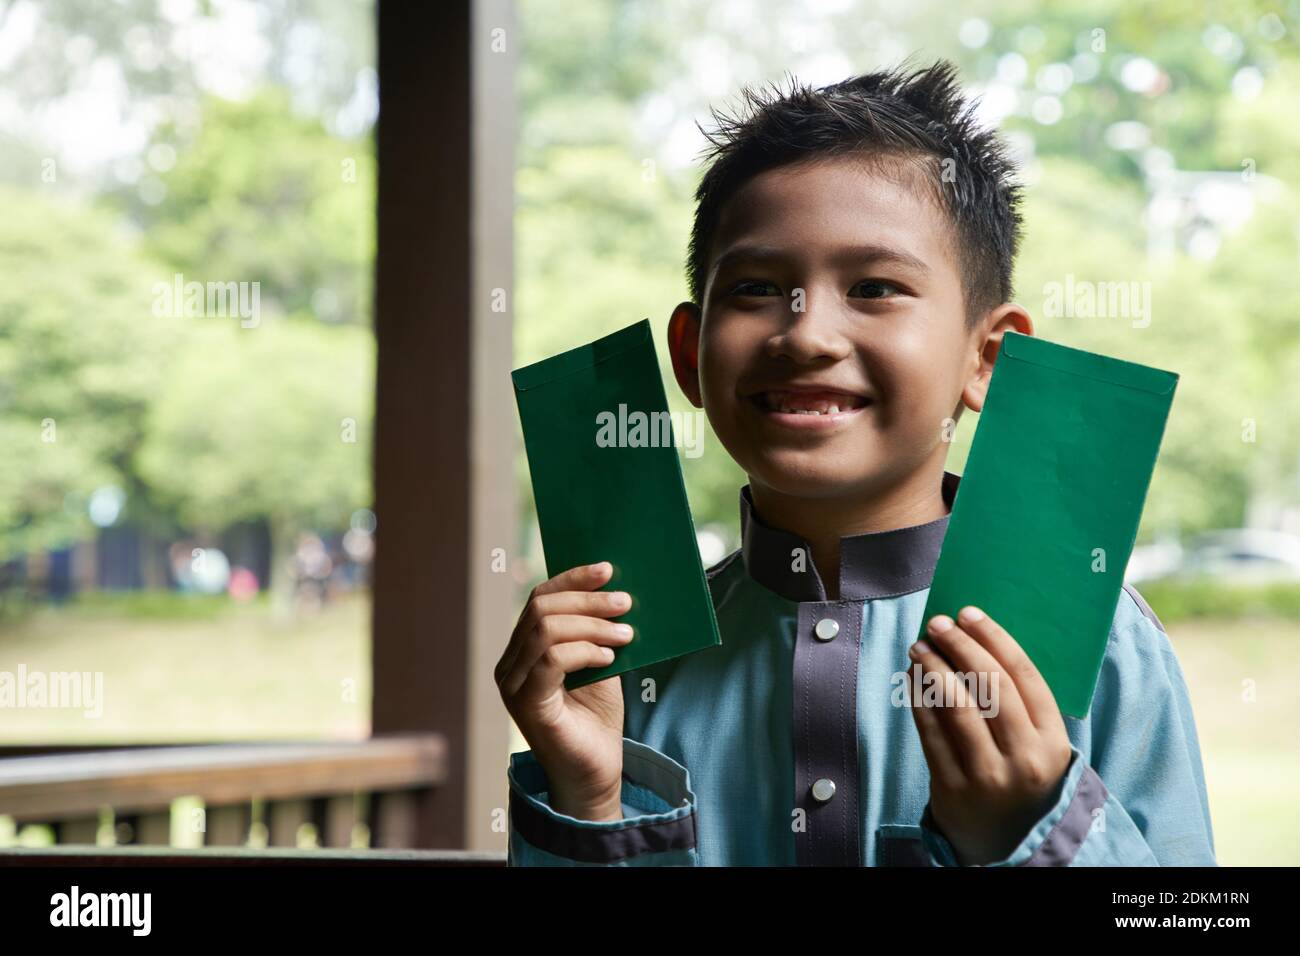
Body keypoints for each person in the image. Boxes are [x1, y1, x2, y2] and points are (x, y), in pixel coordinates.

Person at [495, 60, 1215, 866]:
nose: (805, 334)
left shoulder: (1101, 645)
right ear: (692, 357)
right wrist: (590, 800)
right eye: (758, 288)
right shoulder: (627, 662)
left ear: (989, 361)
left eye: (874, 287)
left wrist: (1035, 828)